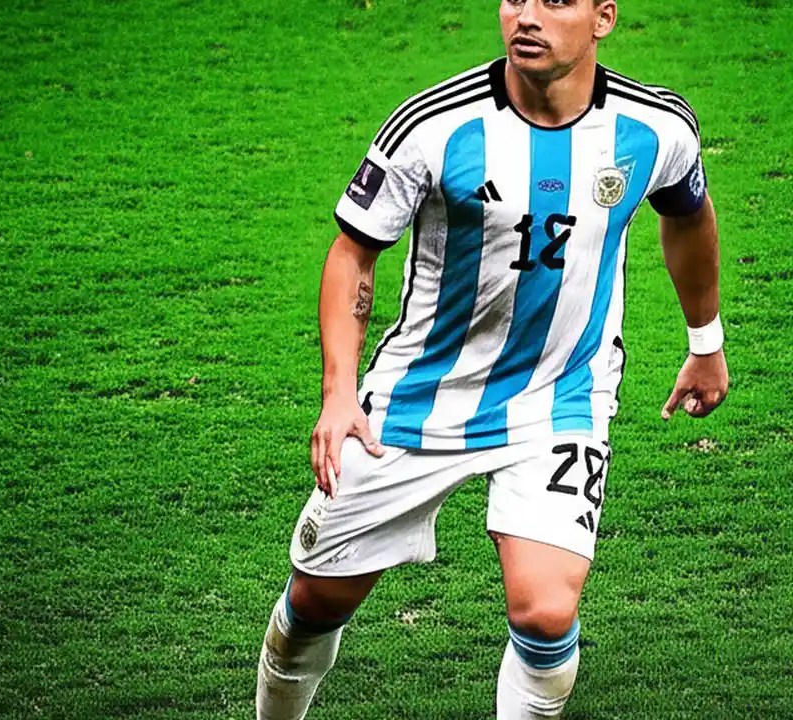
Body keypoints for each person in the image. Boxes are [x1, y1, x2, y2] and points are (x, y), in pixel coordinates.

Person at [256, 0, 728, 717]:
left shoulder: (655, 128)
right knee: (316, 602)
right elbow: (354, 251)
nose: (527, 16)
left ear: (603, 18)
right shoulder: (435, 126)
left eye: (555, 1)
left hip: (562, 393)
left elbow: (687, 213)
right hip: (421, 397)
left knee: (544, 613)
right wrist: (338, 393)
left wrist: (705, 342)